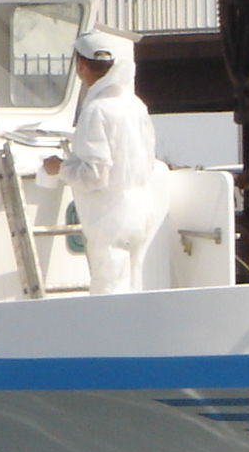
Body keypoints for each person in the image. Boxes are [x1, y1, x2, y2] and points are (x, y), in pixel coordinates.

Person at [41, 27, 163, 295]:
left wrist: (58, 168)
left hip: (111, 218)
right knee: (134, 287)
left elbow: (95, 174)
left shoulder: (97, 110)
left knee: (110, 292)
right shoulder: (135, 105)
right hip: (141, 210)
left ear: (81, 64)